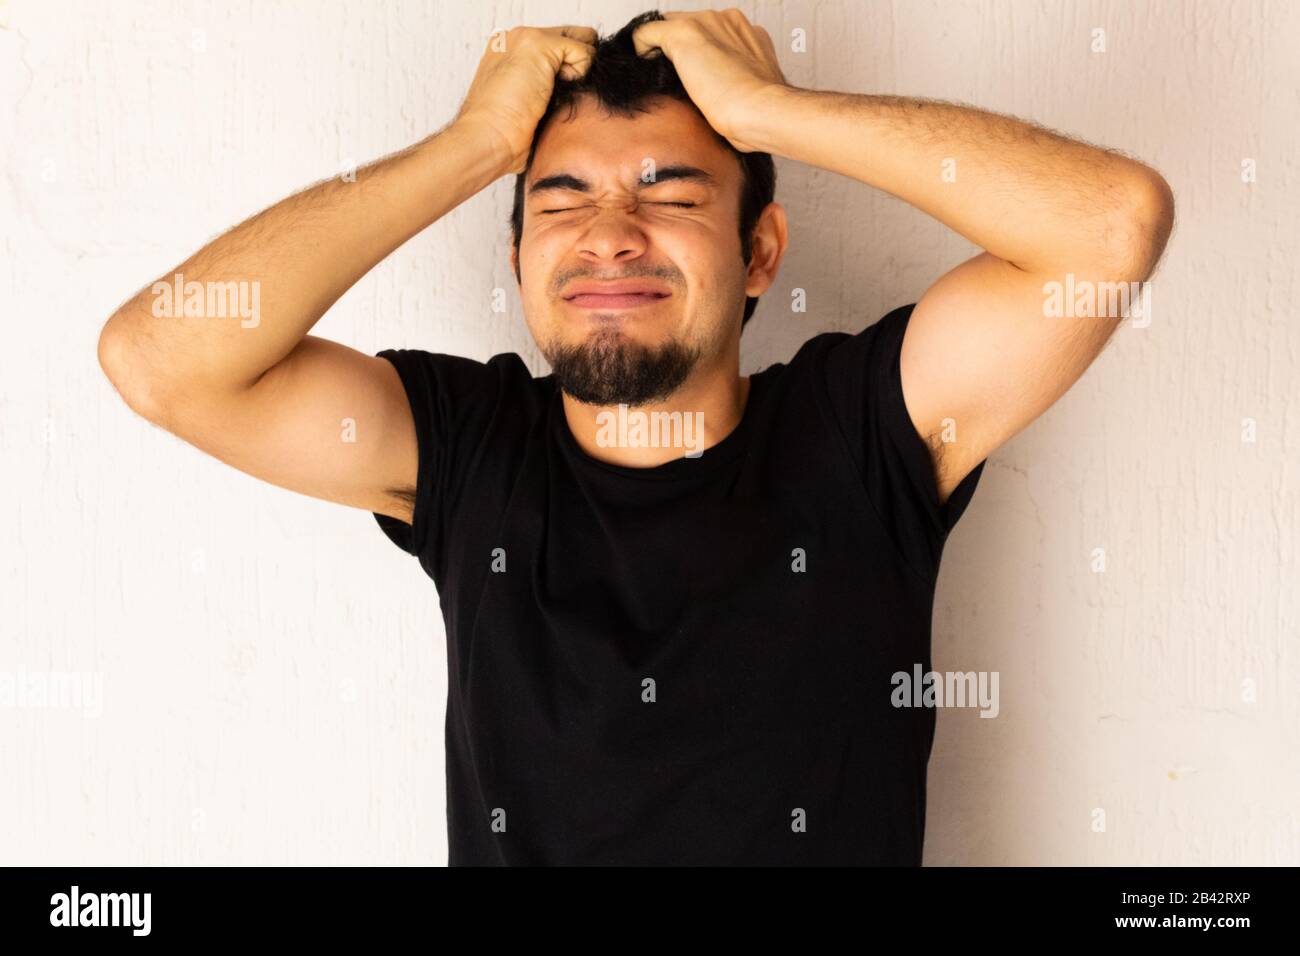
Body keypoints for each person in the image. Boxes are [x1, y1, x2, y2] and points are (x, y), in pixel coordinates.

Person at [96, 9, 1174, 864]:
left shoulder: (861, 432)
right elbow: (158, 358)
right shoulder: (468, 452)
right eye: (561, 203)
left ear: (760, 252)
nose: (611, 233)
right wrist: (471, 145)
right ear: (518, 258)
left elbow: (1110, 223)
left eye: (668, 192)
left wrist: (770, 109)